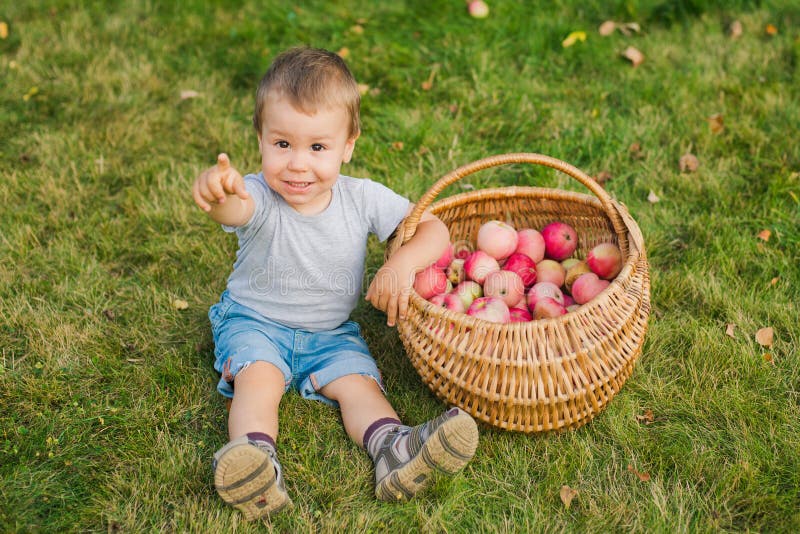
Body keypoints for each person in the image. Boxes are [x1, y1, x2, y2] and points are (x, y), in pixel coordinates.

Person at [192, 47, 478, 521]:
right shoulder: (257, 194)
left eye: (318, 147)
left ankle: (394, 449)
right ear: (260, 139)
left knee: (360, 386)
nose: (298, 165)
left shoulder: (362, 197)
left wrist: (401, 262)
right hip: (256, 321)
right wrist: (219, 193)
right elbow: (234, 210)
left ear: (348, 145)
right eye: (282, 145)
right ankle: (255, 459)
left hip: (330, 333)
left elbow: (435, 229)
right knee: (258, 380)